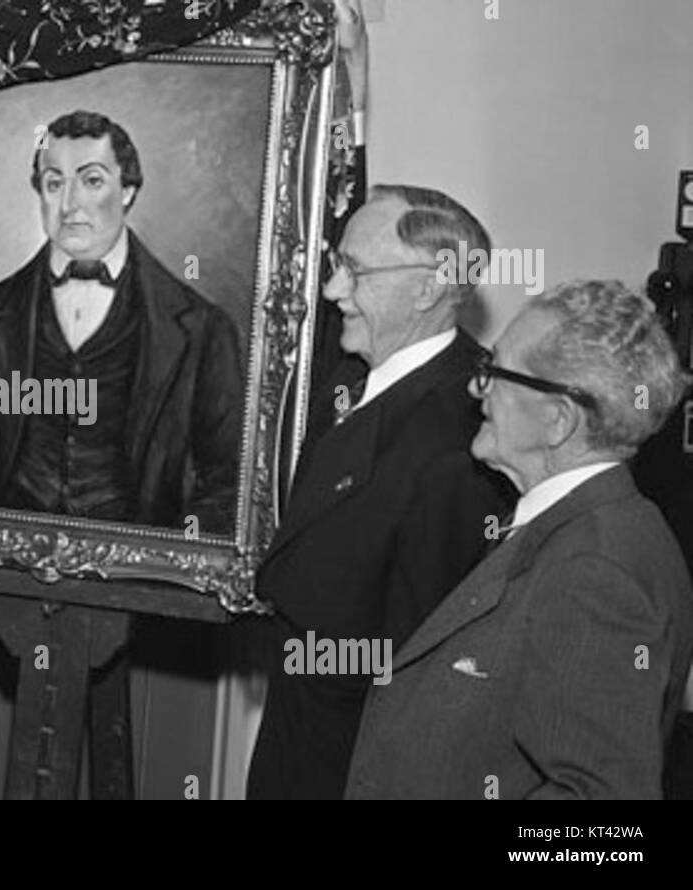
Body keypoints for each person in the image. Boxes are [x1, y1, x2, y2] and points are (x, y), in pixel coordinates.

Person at [346, 280, 693, 798]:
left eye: (495, 373)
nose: (474, 389)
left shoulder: (595, 570)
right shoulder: (577, 529)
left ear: (557, 419)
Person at [244, 183, 516, 799]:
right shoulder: (347, 376)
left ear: (428, 288)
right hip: (299, 733)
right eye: (336, 265)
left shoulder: (464, 434)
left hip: (361, 768)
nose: (333, 290)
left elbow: (423, 662)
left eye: (355, 272)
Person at [0, 109, 244, 535]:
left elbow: (225, 487)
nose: (69, 205)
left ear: (127, 190)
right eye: (54, 184)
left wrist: (169, 560)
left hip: (136, 585)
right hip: (2, 574)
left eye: (91, 181)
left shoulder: (200, 327)